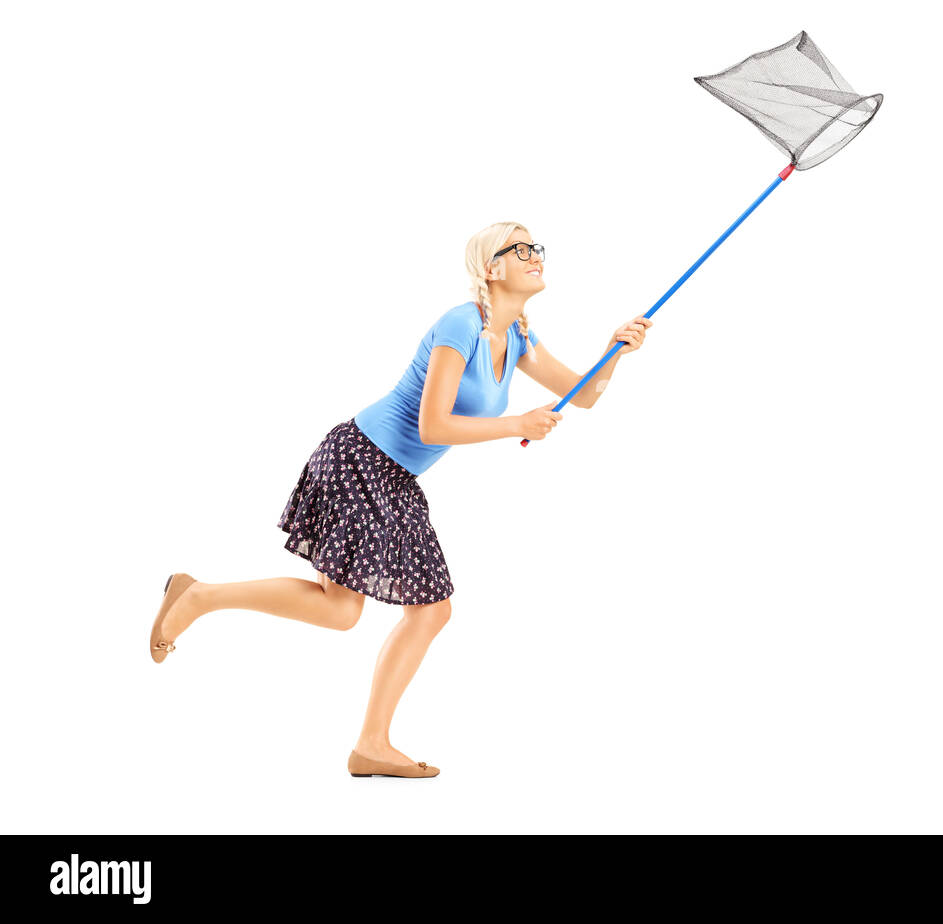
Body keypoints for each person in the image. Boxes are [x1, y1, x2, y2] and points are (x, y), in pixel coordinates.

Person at [148, 222, 653, 778]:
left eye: (537, 248)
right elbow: (433, 425)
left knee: (396, 609)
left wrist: (615, 352)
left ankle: (367, 741)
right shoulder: (461, 325)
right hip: (360, 459)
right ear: (492, 268)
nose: (536, 256)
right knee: (365, 611)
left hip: (393, 477)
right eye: (522, 249)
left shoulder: (520, 339)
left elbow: (583, 397)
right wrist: (516, 424)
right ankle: (199, 600)